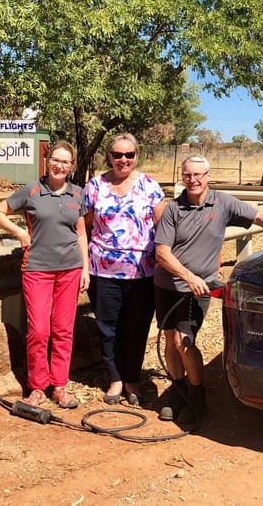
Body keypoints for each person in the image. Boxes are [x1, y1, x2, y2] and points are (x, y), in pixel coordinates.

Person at [154, 154, 263, 423]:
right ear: (182, 177)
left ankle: (197, 396)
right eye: (188, 175)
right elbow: (162, 252)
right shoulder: (173, 209)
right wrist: (187, 276)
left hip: (198, 288)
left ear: (208, 176)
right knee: (169, 340)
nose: (193, 180)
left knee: (184, 341)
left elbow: (257, 215)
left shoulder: (222, 203)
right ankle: (178, 392)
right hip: (168, 284)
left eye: (198, 174)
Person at [0, 141, 89, 409]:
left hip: (70, 269)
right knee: (38, 330)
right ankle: (37, 386)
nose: (59, 166)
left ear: (72, 166)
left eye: (65, 162)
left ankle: (60, 386)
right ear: (47, 161)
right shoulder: (32, 190)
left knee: (63, 329)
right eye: (56, 160)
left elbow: (81, 233)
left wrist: (85, 268)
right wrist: (20, 232)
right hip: (37, 269)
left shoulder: (78, 194)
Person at [84, 133, 165, 406]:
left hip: (143, 273)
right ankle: (115, 379)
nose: (123, 160)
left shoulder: (150, 186)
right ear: (109, 156)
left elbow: (164, 228)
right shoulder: (95, 186)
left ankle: (132, 379)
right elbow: (86, 226)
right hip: (103, 272)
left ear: (136, 156)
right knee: (108, 328)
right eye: (117, 154)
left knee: (136, 327)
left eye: (129, 155)